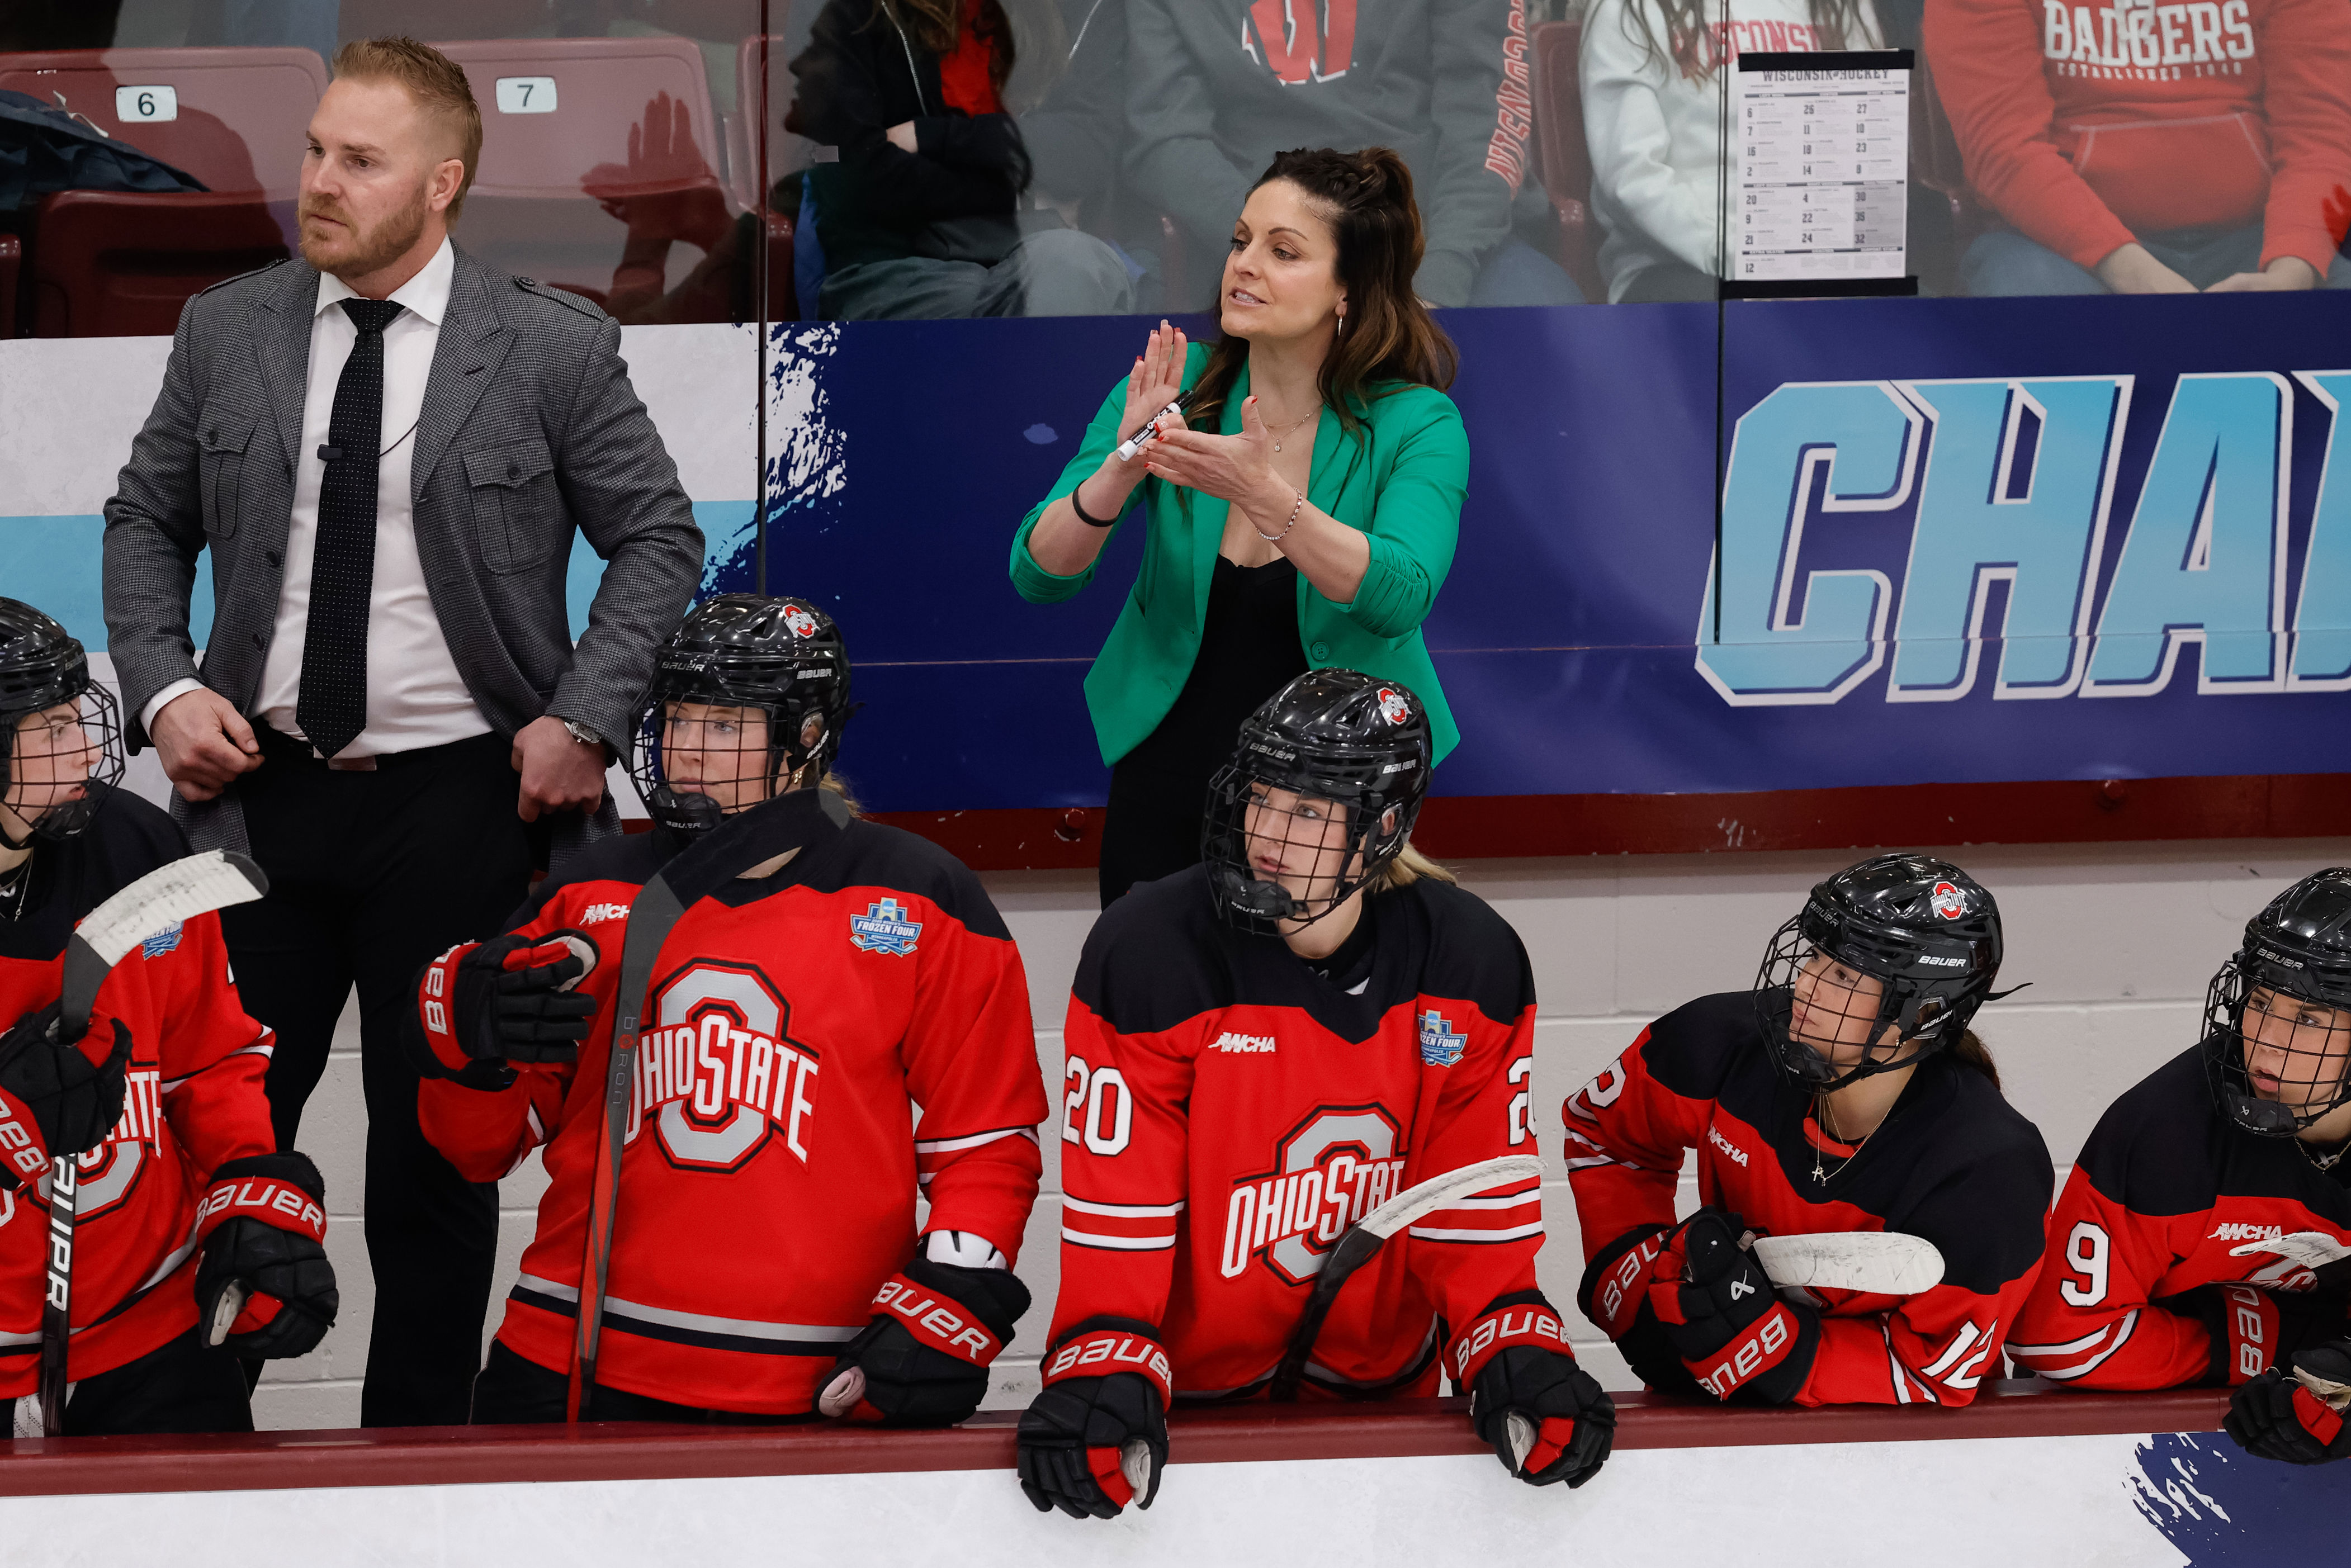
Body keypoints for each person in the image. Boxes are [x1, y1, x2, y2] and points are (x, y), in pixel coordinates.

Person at [100, 36, 704, 1427]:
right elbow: (146, 521)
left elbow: (658, 540)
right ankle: (192, 1444)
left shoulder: (549, 346)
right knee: (217, 1138)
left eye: (356, 162)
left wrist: (584, 718)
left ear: (442, 184)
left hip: (464, 808)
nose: (318, 182)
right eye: (314, 150)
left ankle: (419, 1462)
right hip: (255, 803)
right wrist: (164, 685)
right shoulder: (227, 328)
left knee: (434, 1170)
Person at [411, 595, 1049, 1425]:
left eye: (723, 728)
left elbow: (987, 1142)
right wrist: (464, 1048)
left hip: (812, 1378)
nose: (687, 755)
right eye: (677, 721)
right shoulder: (585, 892)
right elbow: (477, 1150)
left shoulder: (921, 897)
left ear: (808, 736)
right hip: (566, 1360)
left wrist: (948, 1300)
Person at [1016, 670, 1612, 1519]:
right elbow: (1121, 1206)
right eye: (1261, 798)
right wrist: (1103, 1355)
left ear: (1381, 830)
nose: (1266, 833)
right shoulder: (1152, 947)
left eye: (1306, 812)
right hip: (1185, 1408)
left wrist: (1510, 1337)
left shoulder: (1468, 958)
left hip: (1380, 1396)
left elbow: (1473, 1200)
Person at [1011, 147, 1469, 908]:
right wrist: (1123, 465)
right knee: (1153, 1004)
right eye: (1240, 241)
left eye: (1283, 251)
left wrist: (1264, 496)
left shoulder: (1415, 421)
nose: (1244, 265)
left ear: (1346, 291)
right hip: (1166, 775)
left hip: (1335, 801)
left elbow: (1398, 594)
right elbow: (1039, 575)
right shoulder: (1178, 384)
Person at [0, 599, 337, 1436]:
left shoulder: (135, 847)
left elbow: (211, 1060)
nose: (81, 751)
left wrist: (251, 1203)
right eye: (45, 732)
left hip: (150, 1337)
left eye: (76, 719)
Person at [1564, 854, 2051, 1407]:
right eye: (1816, 958)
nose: (1805, 986)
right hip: (1727, 1411)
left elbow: (1935, 1371)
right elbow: (1601, 1133)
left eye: (1843, 975)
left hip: (1911, 1454)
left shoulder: (1987, 1168)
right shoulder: (1717, 1045)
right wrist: (1633, 1288)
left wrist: (1783, 1355)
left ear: (1921, 1014)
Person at [2008, 869, 2351, 1464]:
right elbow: (2056, 1340)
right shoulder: (2165, 1129)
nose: (2263, 1041)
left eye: (2308, 1019)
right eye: (2260, 1002)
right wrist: (2258, 1346)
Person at [1123, 0, 1580, 309]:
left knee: (1550, 335)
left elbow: (1485, 129)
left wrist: (1439, 279)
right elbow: (1164, 141)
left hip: (1441, 239)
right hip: (1258, 248)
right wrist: (1286, 251)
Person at [1926, 0, 2351, 295]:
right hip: (2053, 250)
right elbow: (2005, 152)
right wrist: (2136, 276)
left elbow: (2319, 136)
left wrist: (2292, 272)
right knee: (2035, 300)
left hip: (2260, 240)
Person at [785, 0, 1136, 319]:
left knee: (1075, 265)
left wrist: (926, 137)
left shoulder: (1066, 10)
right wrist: (1017, 172)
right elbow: (850, 159)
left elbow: (1083, 154)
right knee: (1014, 313)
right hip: (891, 263)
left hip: (1029, 248)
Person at [1582, 0, 1884, 301]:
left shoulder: (1843, 6)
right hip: (1679, 266)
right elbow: (1632, 180)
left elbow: (1869, 154)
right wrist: (1750, 259)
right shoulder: (1629, 7)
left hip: (1823, 260)